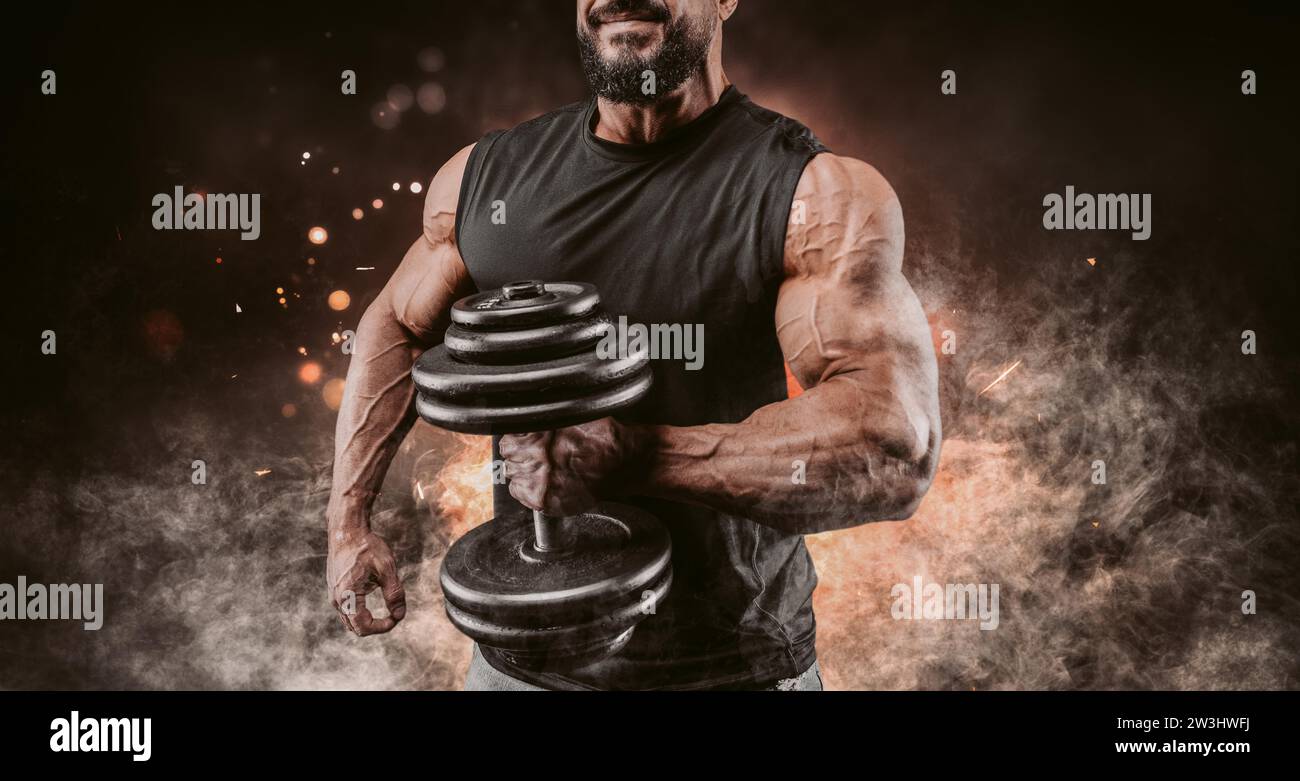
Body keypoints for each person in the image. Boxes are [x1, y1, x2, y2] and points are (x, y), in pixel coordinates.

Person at [325, 0, 941, 690]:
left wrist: (638, 456)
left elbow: (894, 446)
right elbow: (397, 326)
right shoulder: (486, 180)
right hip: (520, 673)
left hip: (728, 671)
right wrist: (348, 519)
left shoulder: (810, 194)